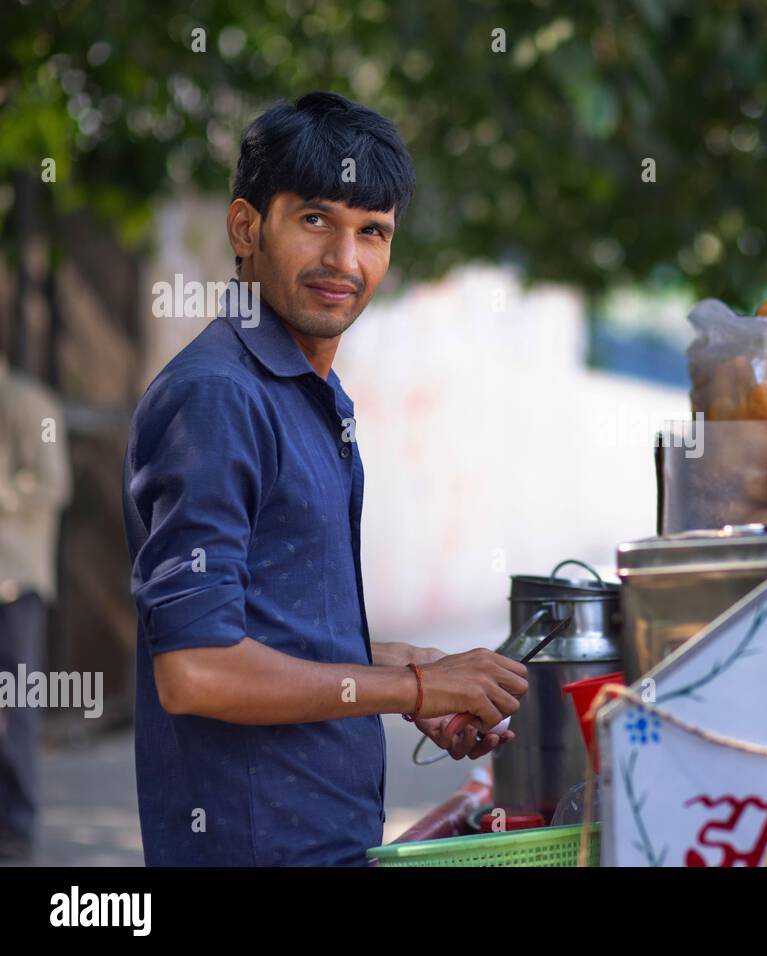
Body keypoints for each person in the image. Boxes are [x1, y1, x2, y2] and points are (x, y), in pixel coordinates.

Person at [122, 92, 528, 866]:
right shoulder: (218, 396)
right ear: (247, 226)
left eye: (371, 231)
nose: (346, 262)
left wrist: (415, 670)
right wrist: (411, 691)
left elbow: (273, 627)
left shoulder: (306, 394)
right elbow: (197, 670)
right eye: (315, 221)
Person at [0, 350, 72, 860]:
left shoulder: (32, 403)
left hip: (14, 580)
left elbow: (54, 483)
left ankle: (17, 823)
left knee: (15, 703)